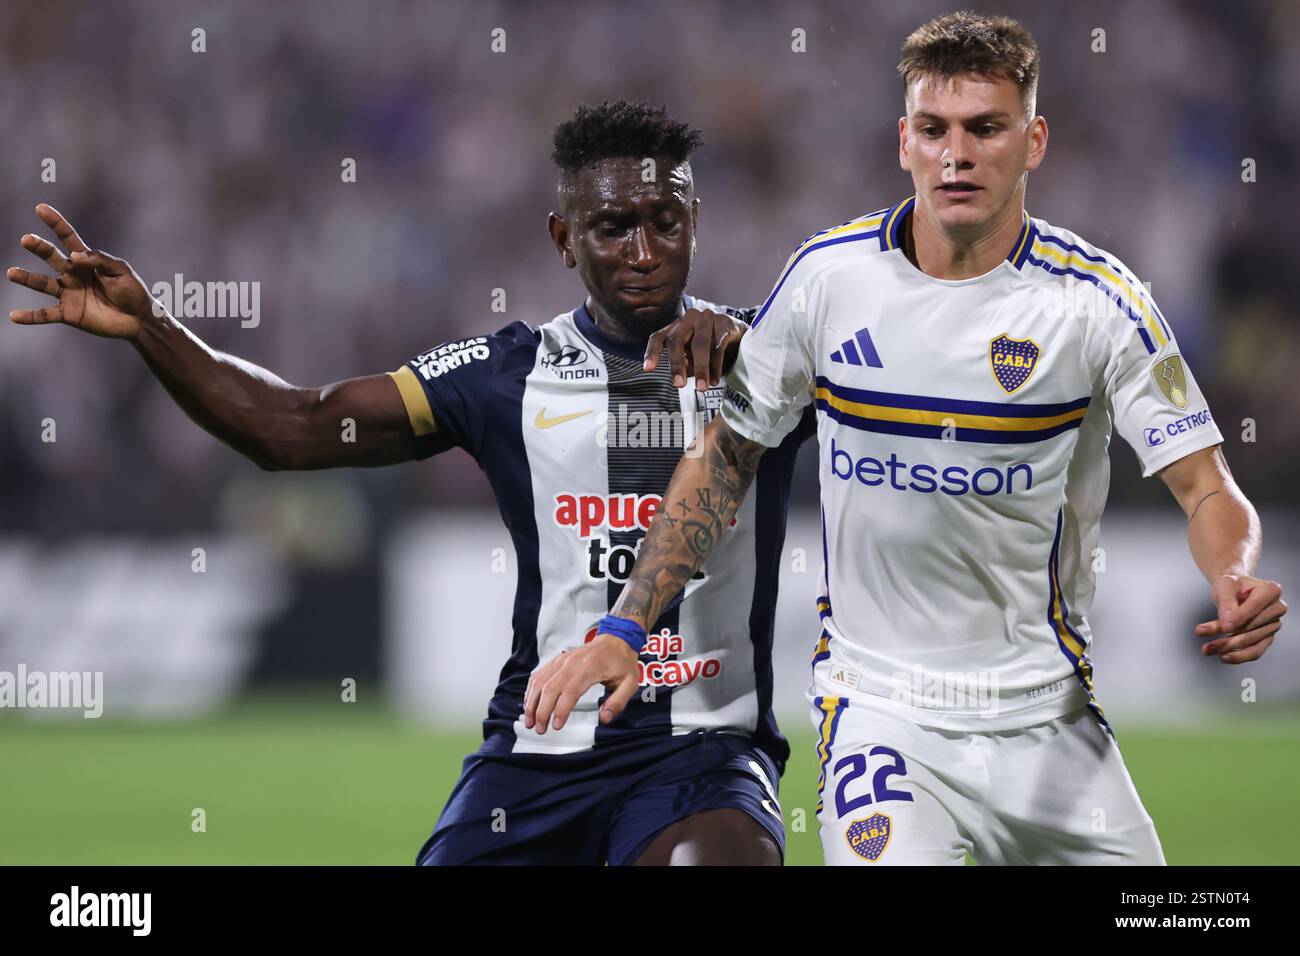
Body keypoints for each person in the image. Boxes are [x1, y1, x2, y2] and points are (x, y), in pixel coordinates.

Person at [524, 15, 1286, 865]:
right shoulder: (828, 279)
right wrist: (625, 629)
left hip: (1049, 719)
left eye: (985, 128)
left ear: (1033, 141)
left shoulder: (1099, 304)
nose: (956, 154)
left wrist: (1234, 574)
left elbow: (1206, 486)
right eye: (934, 129)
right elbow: (724, 457)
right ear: (904, 142)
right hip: (881, 716)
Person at [6, 100, 815, 866]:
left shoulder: (765, 364)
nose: (644, 251)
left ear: (695, 224)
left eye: (665, 223)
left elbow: (905, 378)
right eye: (613, 227)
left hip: (705, 754)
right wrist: (154, 328)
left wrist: (769, 332)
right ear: (564, 239)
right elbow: (292, 426)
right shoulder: (504, 377)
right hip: (537, 759)